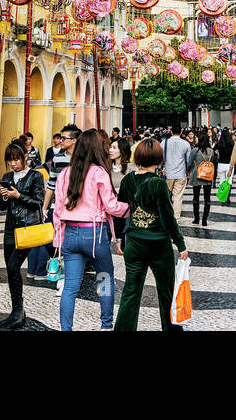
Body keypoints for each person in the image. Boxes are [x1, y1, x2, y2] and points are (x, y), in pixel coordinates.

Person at [53, 129, 128, 331]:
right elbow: (112, 206)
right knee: (104, 279)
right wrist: (128, 209)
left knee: (69, 287)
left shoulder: (65, 173)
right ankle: (106, 326)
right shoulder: (98, 173)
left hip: (70, 234)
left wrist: (58, 242)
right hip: (94, 234)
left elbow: (58, 211)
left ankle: (65, 329)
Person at [115, 139, 188, 331]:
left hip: (134, 242)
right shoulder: (158, 184)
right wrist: (180, 244)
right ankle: (171, 329)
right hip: (158, 244)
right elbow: (168, 218)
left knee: (131, 291)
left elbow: (121, 213)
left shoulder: (127, 180)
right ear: (159, 159)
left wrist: (119, 239)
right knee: (166, 292)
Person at [0, 140, 43, 329]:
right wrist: (5, 196)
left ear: (24, 157)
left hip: (27, 229)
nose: (13, 164)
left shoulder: (35, 176)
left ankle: (18, 310)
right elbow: (1, 207)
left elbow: (38, 202)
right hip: (10, 229)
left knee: (14, 267)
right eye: (10, 160)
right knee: (10, 270)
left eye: (16, 159)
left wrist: (18, 196)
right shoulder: (7, 176)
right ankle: (17, 310)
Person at [31, 125, 79, 283]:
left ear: (74, 140)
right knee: (53, 241)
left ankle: (69, 275)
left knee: (71, 242)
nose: (60, 141)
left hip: (77, 208)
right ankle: (59, 270)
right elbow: (51, 184)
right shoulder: (58, 159)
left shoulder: (83, 158)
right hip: (57, 207)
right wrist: (44, 207)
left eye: (64, 138)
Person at [161, 125, 191, 219]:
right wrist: (188, 171)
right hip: (181, 174)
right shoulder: (185, 143)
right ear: (181, 132)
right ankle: (175, 220)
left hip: (167, 174)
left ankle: (166, 217)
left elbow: (160, 159)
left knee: (165, 197)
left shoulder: (163, 143)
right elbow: (188, 160)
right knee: (178, 198)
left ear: (171, 132)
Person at [188, 132, 216, 226]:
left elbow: (189, 163)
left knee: (196, 197)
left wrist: (189, 171)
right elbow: (213, 162)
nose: (195, 139)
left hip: (197, 176)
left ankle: (196, 218)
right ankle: (204, 220)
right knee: (207, 199)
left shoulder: (195, 151)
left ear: (199, 139)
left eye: (196, 138)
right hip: (208, 176)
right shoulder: (211, 151)